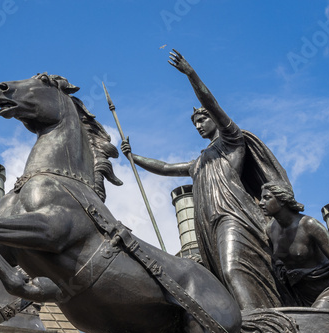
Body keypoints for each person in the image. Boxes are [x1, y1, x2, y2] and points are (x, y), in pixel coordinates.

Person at [121, 50, 290, 310]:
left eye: (202, 120)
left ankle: (258, 321)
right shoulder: (199, 163)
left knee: (234, 269)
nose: (198, 125)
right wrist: (133, 157)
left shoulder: (232, 142)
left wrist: (190, 74)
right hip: (208, 225)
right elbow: (165, 167)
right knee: (221, 279)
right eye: (195, 123)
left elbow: (212, 104)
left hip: (234, 215)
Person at [259, 181, 329, 324]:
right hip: (303, 294)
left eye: (267, 198)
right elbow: (278, 260)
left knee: (313, 321)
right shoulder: (270, 229)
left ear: (282, 200)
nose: (261, 203)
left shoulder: (309, 225)